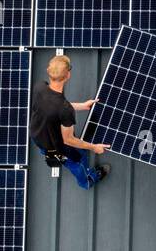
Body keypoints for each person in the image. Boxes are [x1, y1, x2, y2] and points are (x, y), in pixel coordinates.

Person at [29, 54, 110, 190]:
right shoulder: (65, 110)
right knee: (78, 161)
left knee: (79, 153)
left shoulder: (40, 87)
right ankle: (87, 182)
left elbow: (53, 107)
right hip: (56, 147)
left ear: (49, 72)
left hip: (38, 136)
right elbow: (68, 140)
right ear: (67, 76)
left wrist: (82, 105)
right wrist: (94, 147)